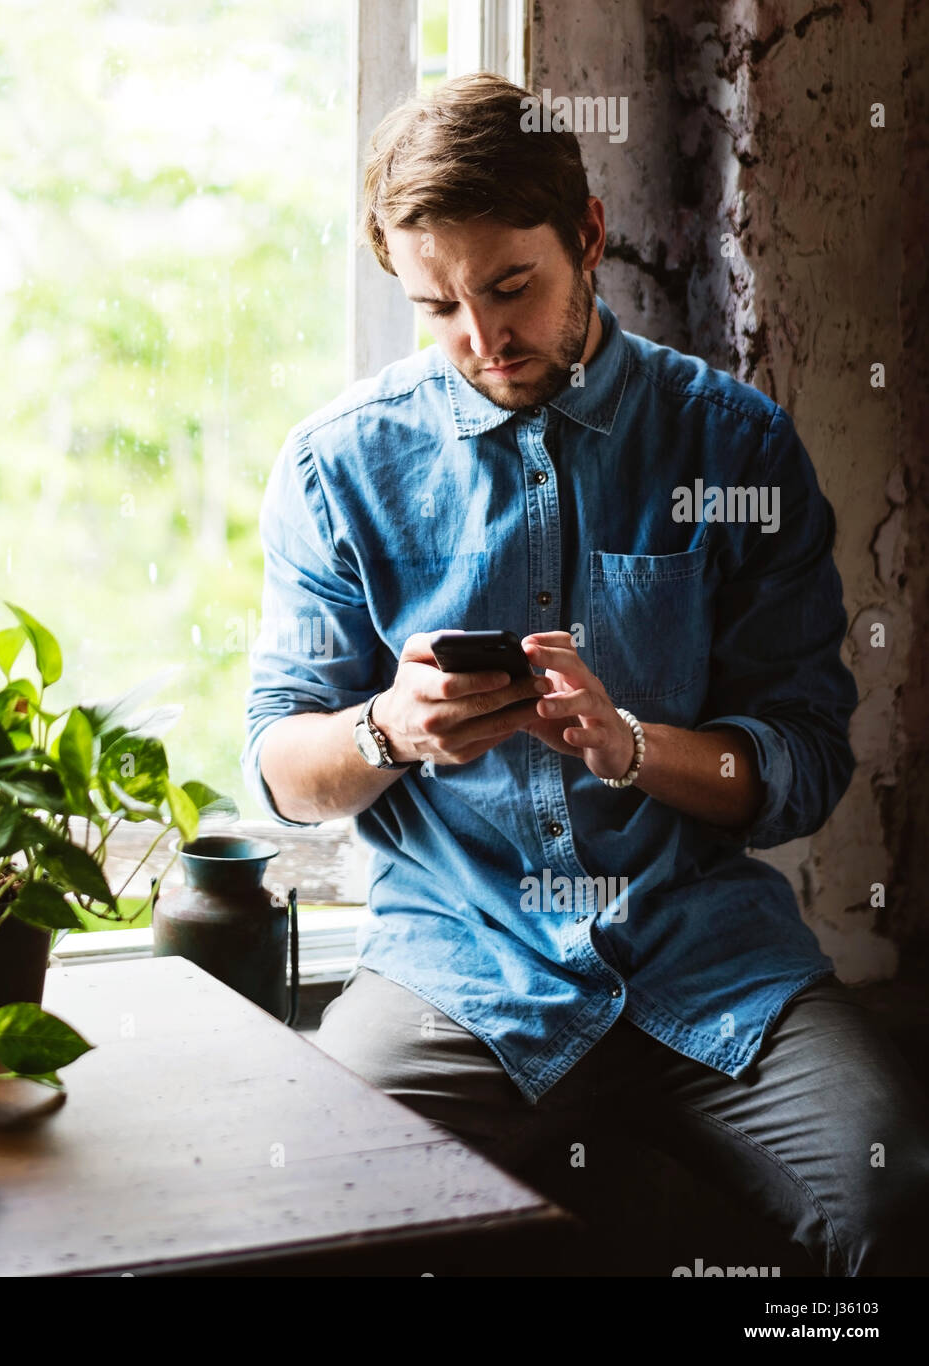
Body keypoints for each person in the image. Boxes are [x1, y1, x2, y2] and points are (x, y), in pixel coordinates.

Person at [242, 72, 929, 1276]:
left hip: (710, 961)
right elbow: (280, 771)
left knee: (896, 1194)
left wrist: (633, 748)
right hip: (461, 963)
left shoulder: (734, 445)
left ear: (589, 236)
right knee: (323, 1210)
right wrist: (392, 730)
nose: (481, 337)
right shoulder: (338, 468)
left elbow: (807, 760)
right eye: (436, 305)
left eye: (511, 287)